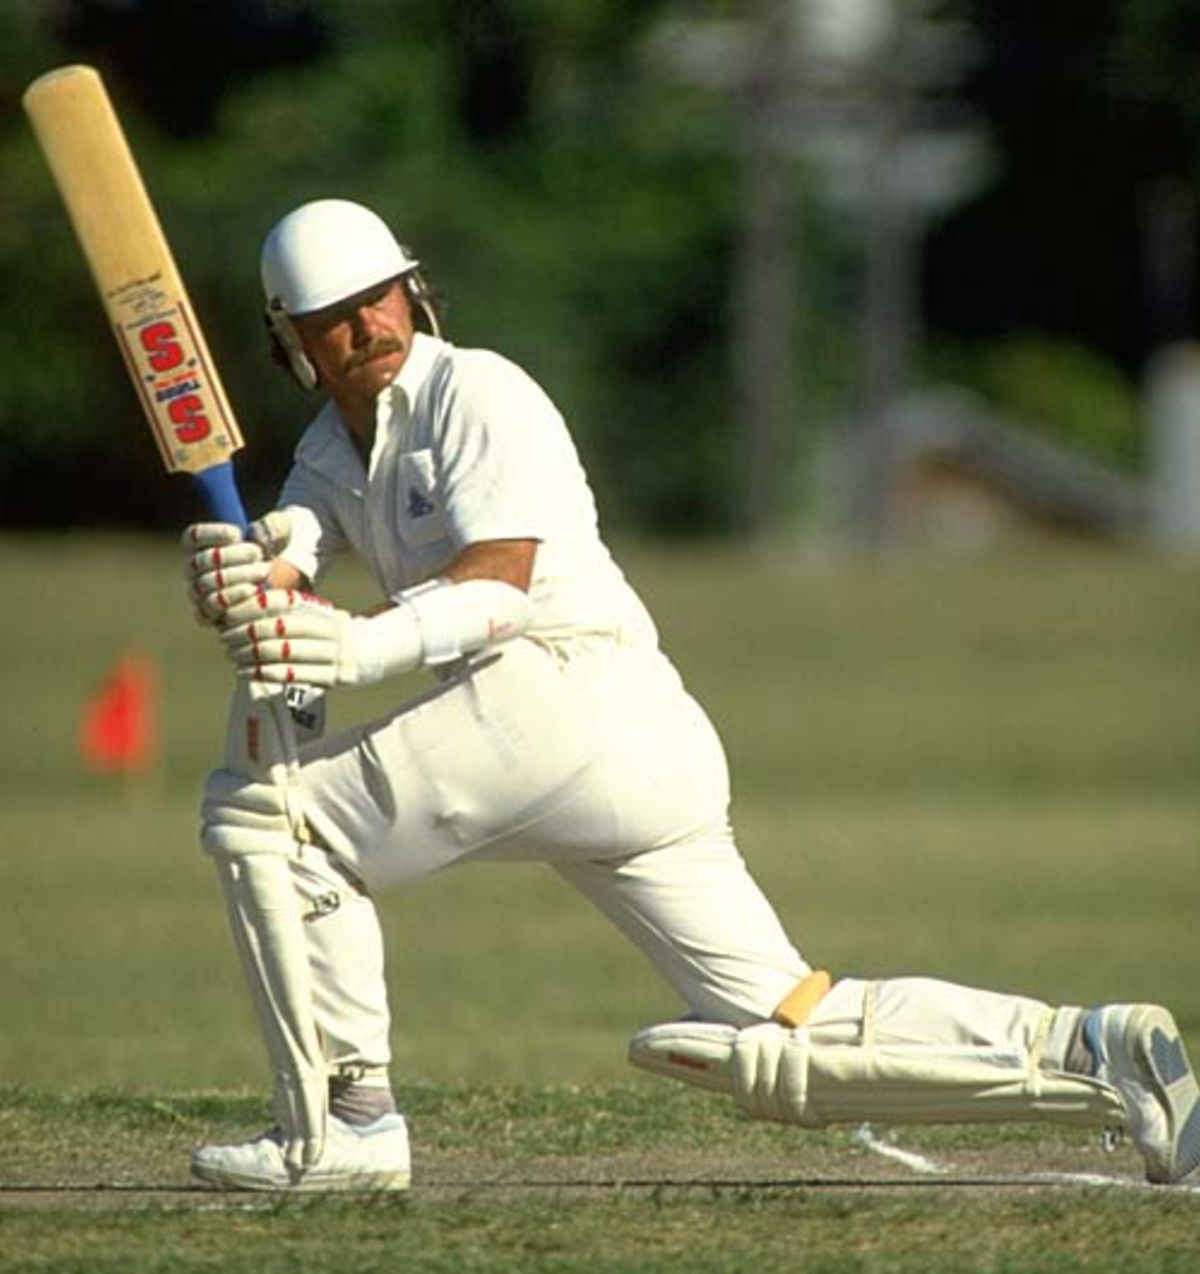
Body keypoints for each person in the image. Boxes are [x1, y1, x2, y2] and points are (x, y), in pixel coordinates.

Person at [184, 198, 1200, 1192]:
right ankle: (1092, 1050)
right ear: (292, 341)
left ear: (413, 291)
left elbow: (498, 591)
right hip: (609, 738)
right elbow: (292, 563)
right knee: (787, 1030)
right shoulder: (329, 450)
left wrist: (355, 645)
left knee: (275, 821)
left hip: (566, 694)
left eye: (380, 296)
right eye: (333, 316)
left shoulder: (478, 392)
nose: (367, 326)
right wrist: (244, 578)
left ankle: (349, 1124)